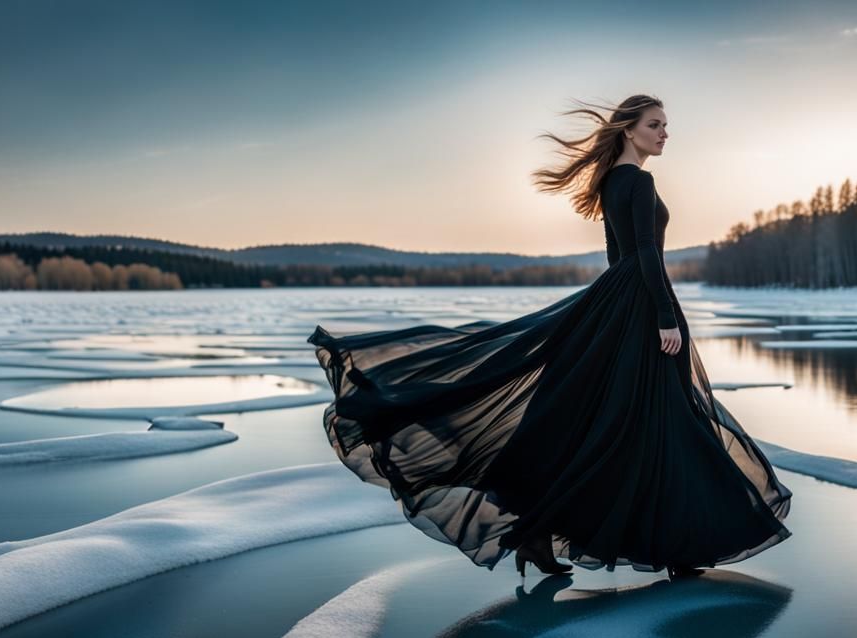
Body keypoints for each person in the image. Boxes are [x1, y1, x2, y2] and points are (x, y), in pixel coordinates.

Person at [308, 94, 793, 580]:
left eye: (666, 125)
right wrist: (663, 315)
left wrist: (613, 314)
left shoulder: (611, 181)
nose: (665, 133)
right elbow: (645, 252)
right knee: (659, 420)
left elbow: (614, 255)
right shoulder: (639, 181)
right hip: (641, 309)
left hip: (620, 306)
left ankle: (549, 532)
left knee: (621, 421)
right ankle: (676, 544)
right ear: (629, 129)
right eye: (655, 124)